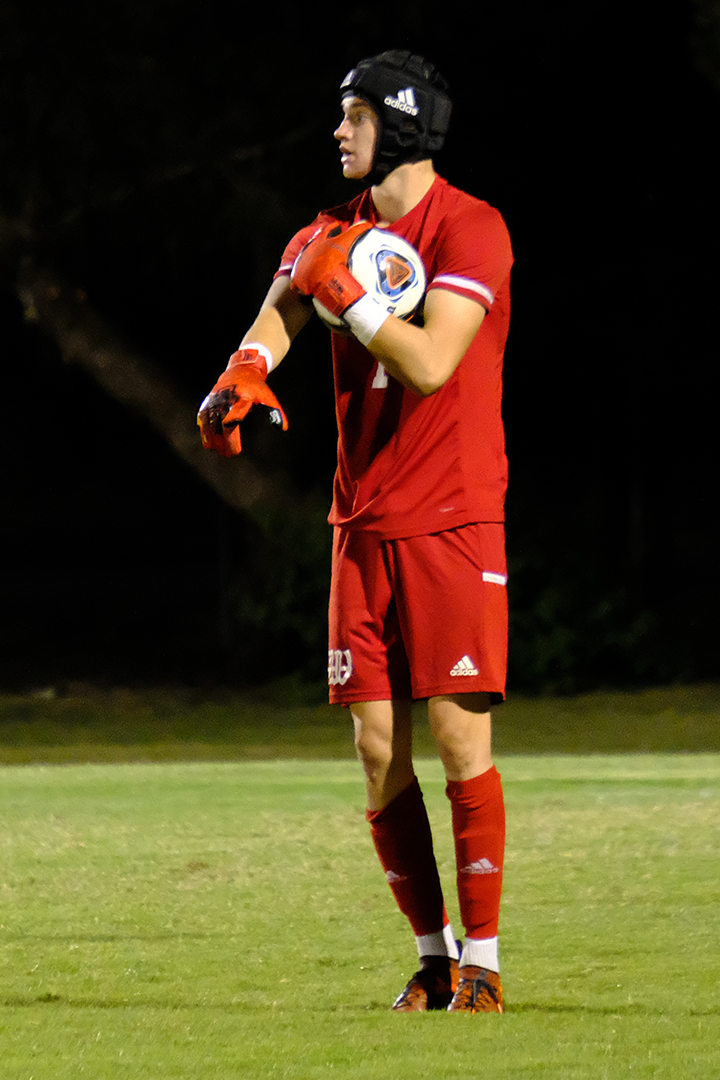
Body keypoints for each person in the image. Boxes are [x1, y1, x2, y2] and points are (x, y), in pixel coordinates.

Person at [197, 51, 513, 1014]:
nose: (339, 132)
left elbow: (431, 362)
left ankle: (485, 966)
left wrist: (353, 297)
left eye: (356, 116)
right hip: (361, 520)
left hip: (452, 515)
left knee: (458, 739)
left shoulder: (471, 227)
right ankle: (433, 958)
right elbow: (278, 312)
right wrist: (241, 375)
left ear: (404, 123)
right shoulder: (327, 231)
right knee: (377, 750)